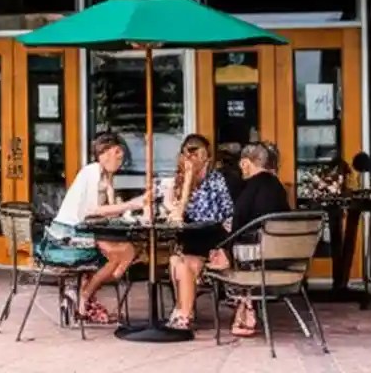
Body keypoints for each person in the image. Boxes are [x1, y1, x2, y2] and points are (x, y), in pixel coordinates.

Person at [42, 133, 146, 324]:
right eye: (118, 153)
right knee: (125, 251)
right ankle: (85, 294)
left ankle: (84, 293)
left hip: (80, 230)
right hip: (68, 235)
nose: (120, 160)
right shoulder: (92, 171)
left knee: (127, 252)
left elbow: (108, 214)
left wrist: (111, 192)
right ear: (104, 153)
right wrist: (131, 204)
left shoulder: (104, 176)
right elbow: (91, 211)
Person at [165, 134, 234, 331]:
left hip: (212, 235)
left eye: (197, 151)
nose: (192, 156)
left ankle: (183, 313)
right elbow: (175, 213)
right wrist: (186, 181)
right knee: (176, 262)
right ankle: (185, 313)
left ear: (207, 157)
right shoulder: (177, 181)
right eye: (188, 151)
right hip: (188, 235)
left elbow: (222, 214)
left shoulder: (216, 180)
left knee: (184, 263)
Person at [224, 142, 291, 337]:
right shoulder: (278, 187)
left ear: (245, 164)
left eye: (241, 165)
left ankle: (244, 304)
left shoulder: (251, 187)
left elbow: (238, 223)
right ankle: (246, 304)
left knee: (221, 251)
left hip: (256, 259)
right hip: (283, 258)